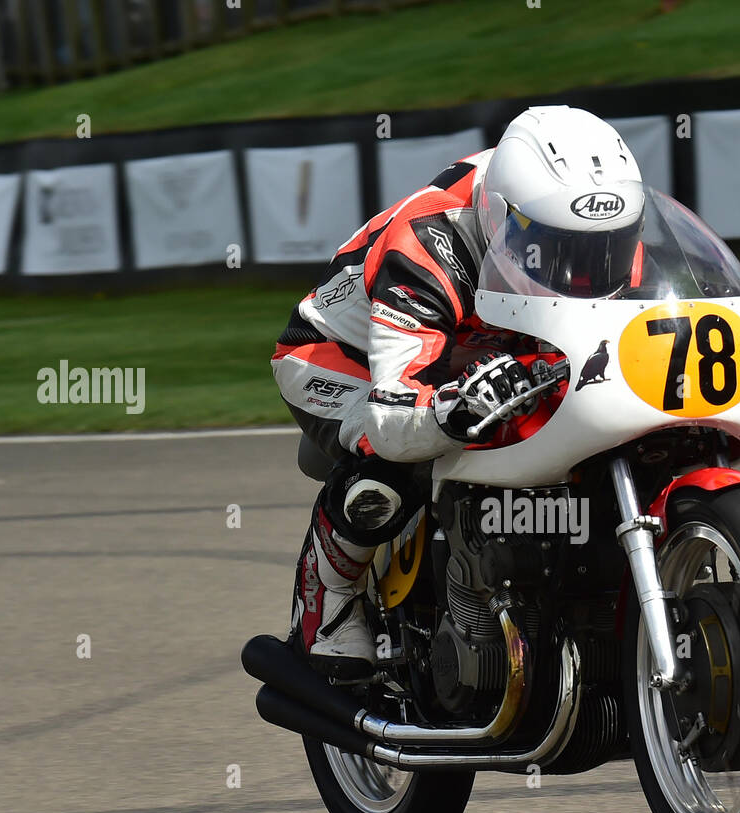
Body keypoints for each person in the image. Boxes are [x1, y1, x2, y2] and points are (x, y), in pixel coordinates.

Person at [271, 105, 646, 676]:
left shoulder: (596, 226)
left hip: (478, 342)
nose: (584, 271)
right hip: (344, 358)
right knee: (396, 461)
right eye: (559, 251)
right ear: (503, 220)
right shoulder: (429, 243)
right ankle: (327, 607)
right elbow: (396, 417)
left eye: (603, 250)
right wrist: (451, 410)